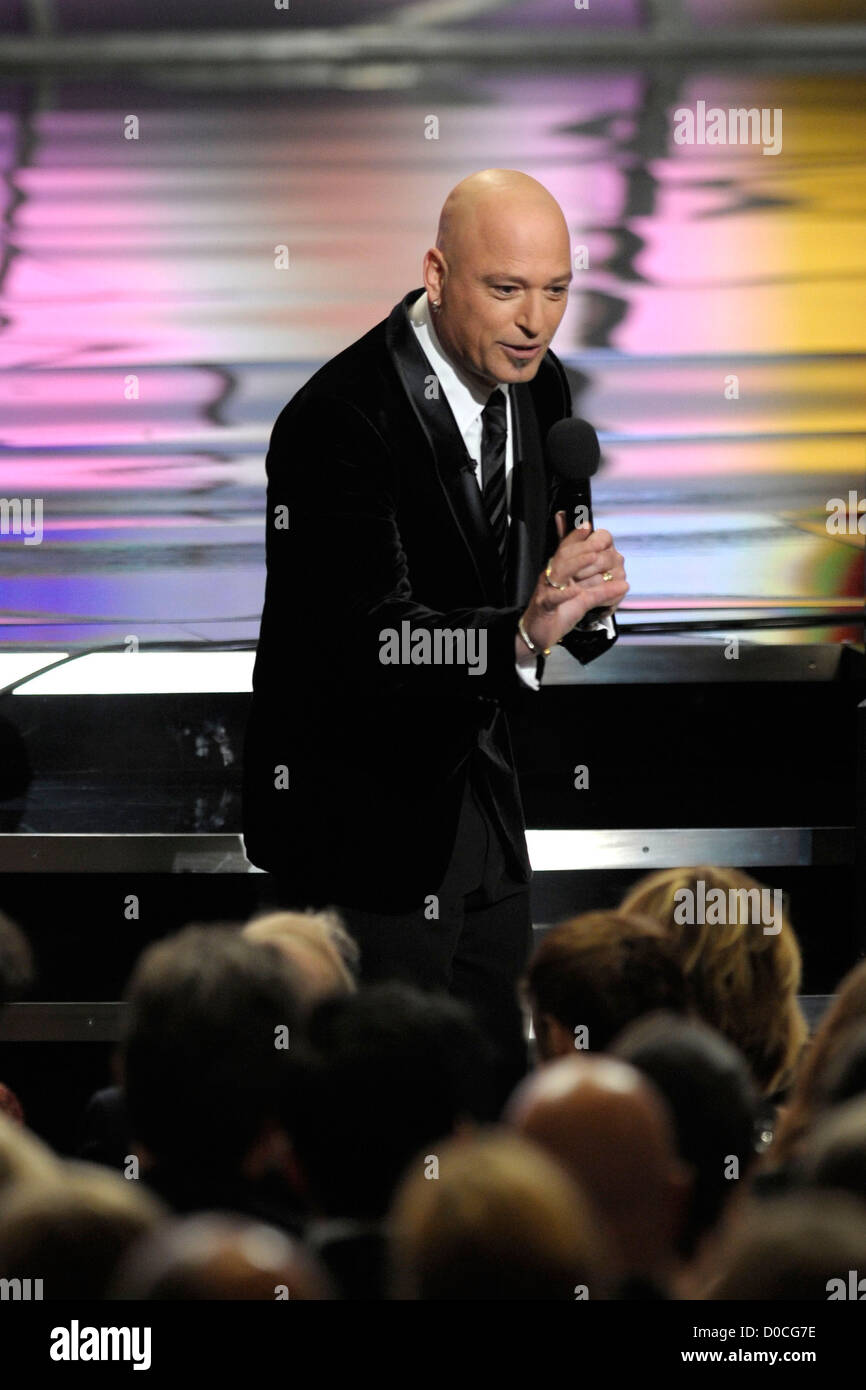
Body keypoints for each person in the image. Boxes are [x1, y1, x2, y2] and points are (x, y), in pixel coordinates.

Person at [243, 168, 628, 1101]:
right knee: (383, 1116)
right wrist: (522, 639)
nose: (536, 320)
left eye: (557, 290)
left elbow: (543, 554)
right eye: (506, 289)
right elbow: (377, 644)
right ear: (437, 273)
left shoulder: (541, 388)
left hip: (485, 821)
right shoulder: (336, 421)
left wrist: (583, 604)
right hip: (364, 835)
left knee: (492, 1098)